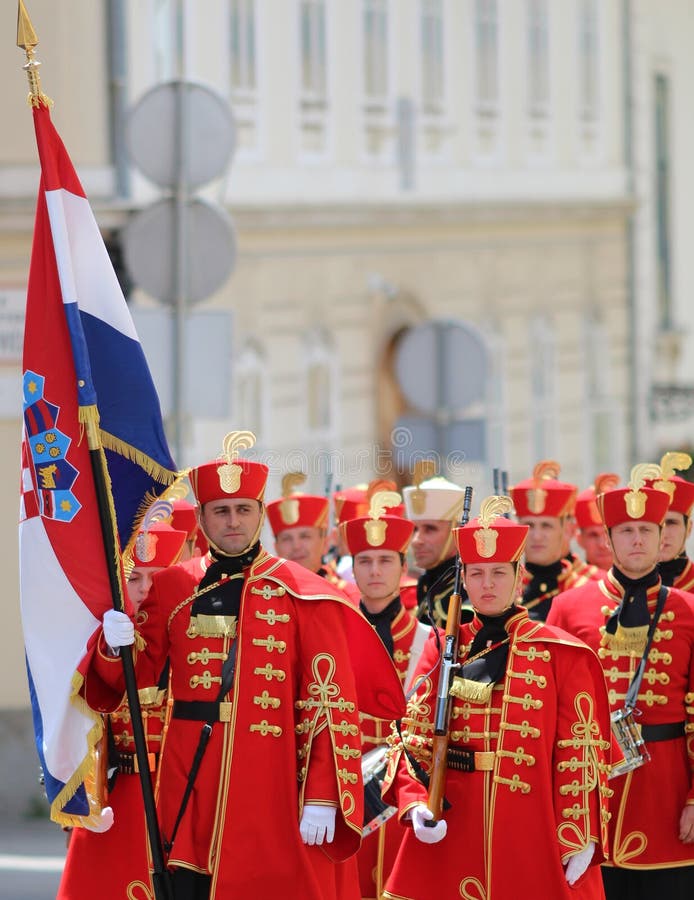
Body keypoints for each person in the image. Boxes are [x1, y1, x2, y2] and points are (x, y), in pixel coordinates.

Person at [86, 432, 406, 900]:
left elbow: (329, 701)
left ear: (260, 513)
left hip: (268, 778)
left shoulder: (302, 590)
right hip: (188, 776)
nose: (233, 521)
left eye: (243, 509)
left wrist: (321, 793)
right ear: (201, 518)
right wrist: (114, 648)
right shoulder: (172, 587)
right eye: (221, 510)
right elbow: (136, 683)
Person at [381, 495, 612, 900]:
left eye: (498, 573)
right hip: (454, 818)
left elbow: (582, 748)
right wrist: (417, 801)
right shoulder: (442, 646)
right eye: (478, 573)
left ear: (518, 574)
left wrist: (581, 830)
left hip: (528, 821)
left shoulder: (561, 652)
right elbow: (411, 733)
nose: (487, 585)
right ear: (464, 578)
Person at [546, 465, 694, 898]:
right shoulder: (569, 608)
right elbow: (550, 710)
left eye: (647, 530)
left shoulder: (689, 610)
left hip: (666, 794)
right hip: (590, 792)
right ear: (608, 539)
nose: (637, 540)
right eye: (625, 531)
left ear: (661, 537)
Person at [58, 502, 187, 900]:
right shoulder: (100, 630)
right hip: (121, 790)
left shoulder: (190, 633)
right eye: (134, 577)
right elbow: (83, 706)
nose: (146, 588)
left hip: (181, 790)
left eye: (156, 576)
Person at [340, 490, 429, 899]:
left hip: (406, 802)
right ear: (352, 568)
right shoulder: (333, 635)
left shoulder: (431, 642)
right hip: (346, 799)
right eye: (365, 561)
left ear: (403, 567)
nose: (375, 571)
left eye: (385, 560)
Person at [509, 459, 597, 621]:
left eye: (546, 526)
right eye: (529, 525)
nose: (536, 535)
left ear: (567, 530)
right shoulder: (506, 588)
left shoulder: (590, 588)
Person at [267, 472, 359, 602]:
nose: (296, 546)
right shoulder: (266, 595)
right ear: (276, 548)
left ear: (325, 543)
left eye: (305, 536)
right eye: (286, 539)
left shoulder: (348, 597)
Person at [402, 462, 467, 627]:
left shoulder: (467, 593)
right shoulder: (429, 585)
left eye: (430, 529)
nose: (416, 540)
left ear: (457, 531)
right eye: (414, 529)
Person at [649, 451, 694, 591]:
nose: (663, 534)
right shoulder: (623, 588)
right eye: (656, 523)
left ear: (689, 529)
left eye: (672, 523)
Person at [574, 473, 620, 573]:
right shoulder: (570, 585)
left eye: (608, 534)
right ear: (579, 539)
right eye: (593, 535)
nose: (603, 544)